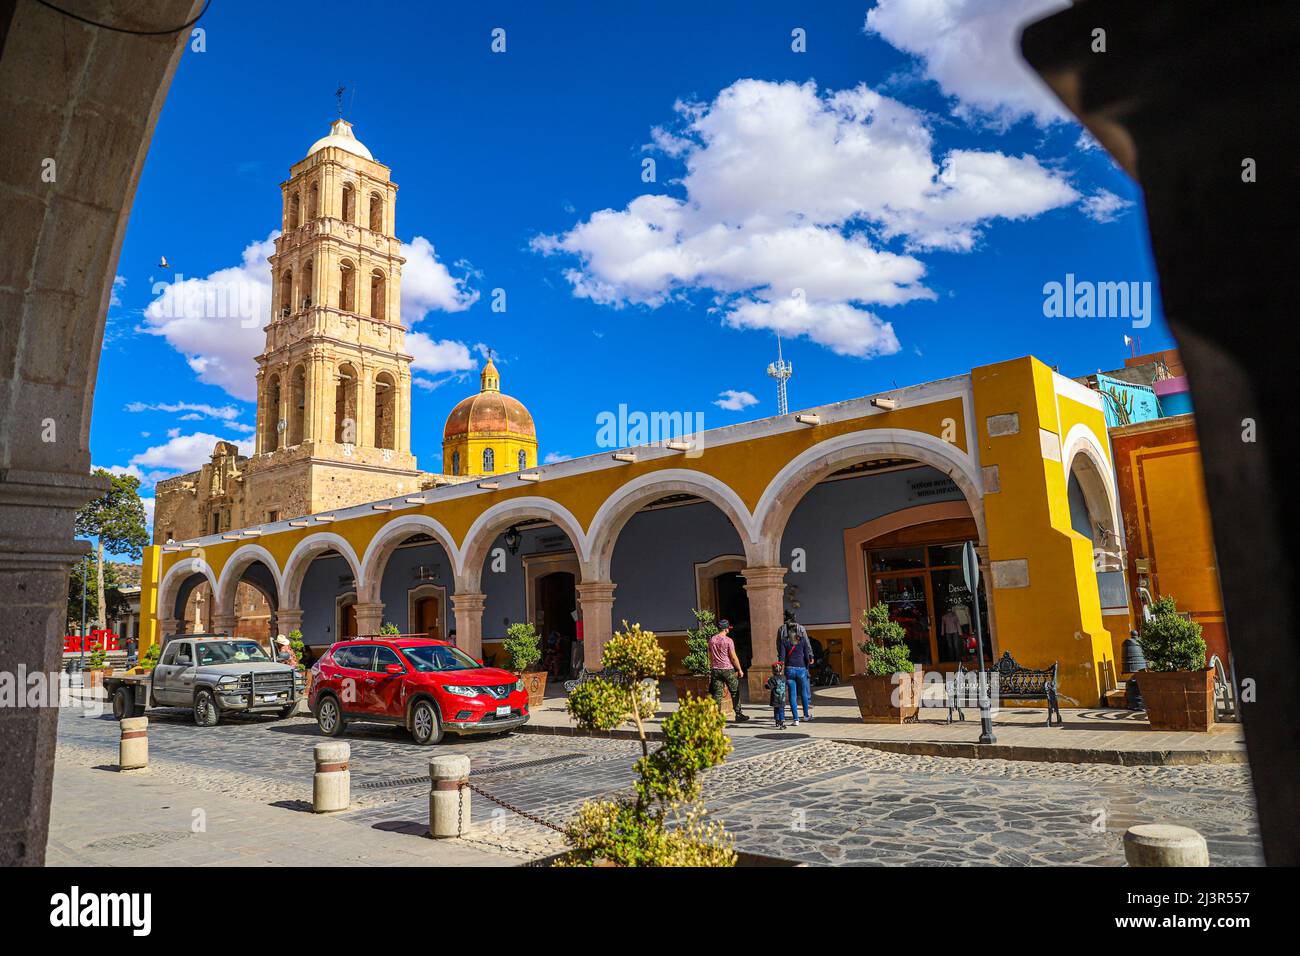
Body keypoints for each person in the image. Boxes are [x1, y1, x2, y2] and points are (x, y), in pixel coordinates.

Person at [707, 618, 749, 722]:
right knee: (734, 692)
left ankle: (715, 716)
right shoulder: (728, 641)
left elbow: (710, 656)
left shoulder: (712, 640)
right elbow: (733, 657)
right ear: (726, 629)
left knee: (717, 693)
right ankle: (738, 714)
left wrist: (712, 667)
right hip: (728, 669)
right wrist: (740, 669)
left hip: (716, 670)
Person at [777, 608, 814, 724]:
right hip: (801, 668)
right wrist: (809, 660)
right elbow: (807, 649)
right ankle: (806, 715)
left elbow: (780, 653)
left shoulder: (783, 637)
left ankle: (796, 719)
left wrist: (780, 667)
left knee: (792, 694)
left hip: (789, 668)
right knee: (803, 692)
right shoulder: (802, 637)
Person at [766, 661, 789, 729]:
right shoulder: (784, 677)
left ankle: (777, 722)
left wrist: (766, 683)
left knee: (776, 710)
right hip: (782, 698)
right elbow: (786, 684)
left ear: (773, 670)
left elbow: (769, 687)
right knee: (781, 710)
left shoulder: (772, 679)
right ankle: (781, 722)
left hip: (775, 698)